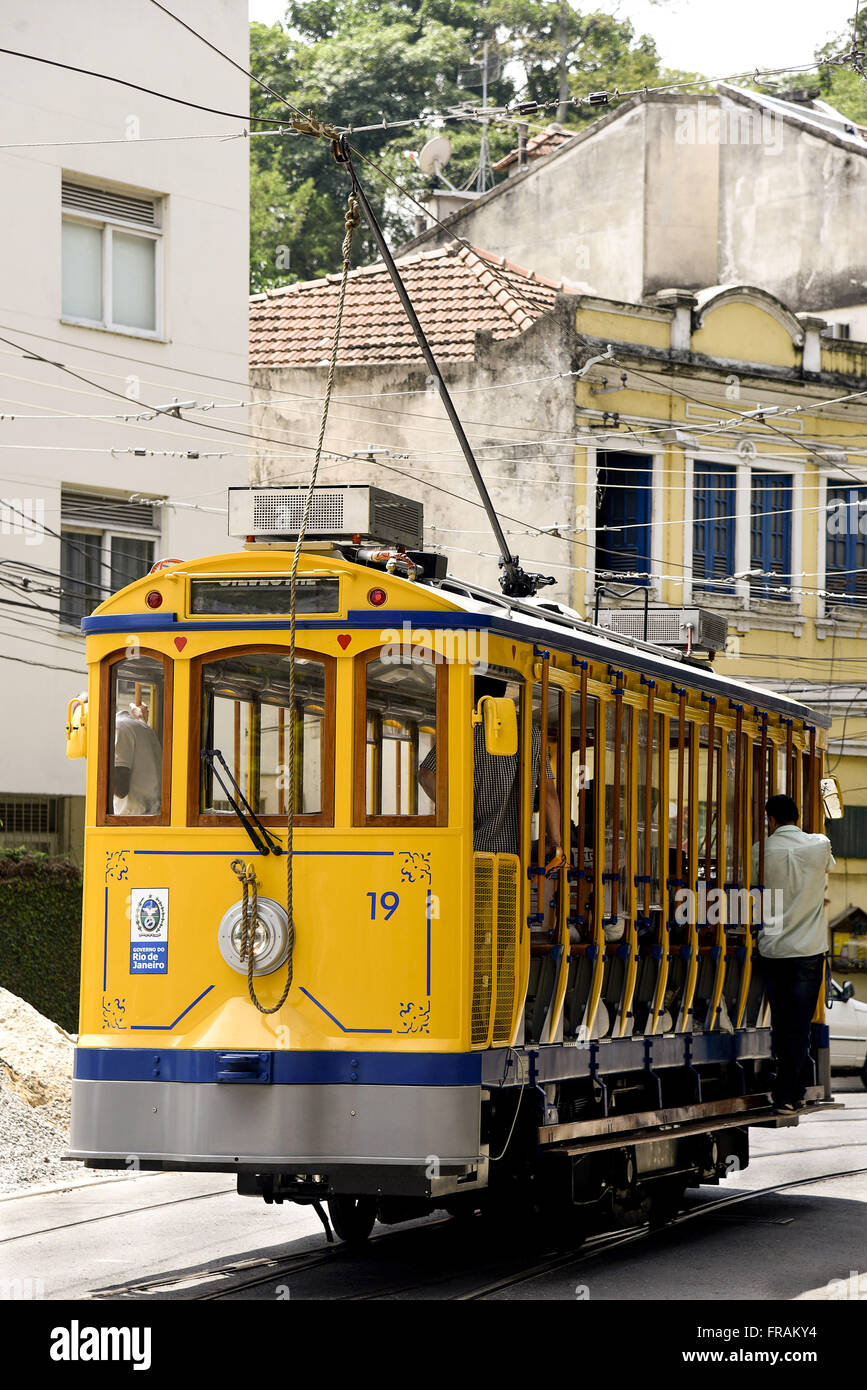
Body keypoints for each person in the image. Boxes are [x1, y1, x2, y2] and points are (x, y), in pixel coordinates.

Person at [418, 674, 563, 870]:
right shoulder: (531, 733)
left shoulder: (463, 731)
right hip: (515, 854)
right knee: (506, 899)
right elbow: (549, 795)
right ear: (503, 693)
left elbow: (426, 775)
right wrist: (556, 845)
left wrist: (457, 812)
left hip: (471, 850)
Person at [752, 793, 835, 1114]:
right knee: (799, 1025)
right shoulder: (819, 845)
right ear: (796, 817)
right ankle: (791, 1092)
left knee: (782, 1023)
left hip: (773, 950)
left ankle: (790, 1090)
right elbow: (827, 867)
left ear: (770, 820)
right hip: (809, 951)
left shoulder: (761, 851)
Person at [113, 702, 162, 816]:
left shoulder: (118, 727)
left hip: (133, 818)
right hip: (148, 814)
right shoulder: (139, 726)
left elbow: (120, 789)